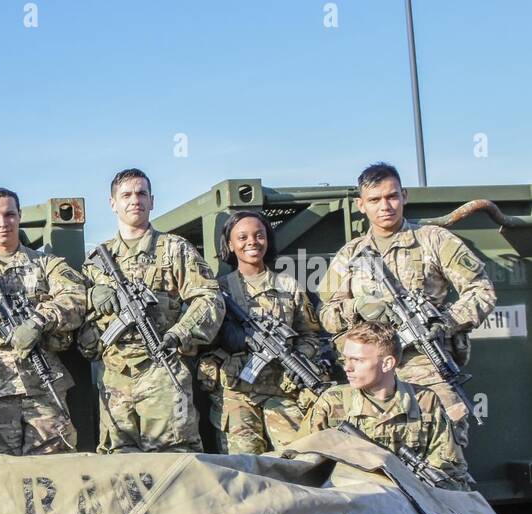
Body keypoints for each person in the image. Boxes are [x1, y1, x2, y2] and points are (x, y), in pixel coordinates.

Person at [318, 162, 495, 446]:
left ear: (405, 196)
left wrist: (443, 322)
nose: (385, 206)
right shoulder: (349, 255)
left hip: (428, 366)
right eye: (375, 200)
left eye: (392, 196)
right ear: (361, 205)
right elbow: (326, 314)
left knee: (446, 456)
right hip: (371, 376)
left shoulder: (434, 240)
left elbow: (481, 291)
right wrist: (357, 307)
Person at [79, 168, 224, 453]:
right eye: (127, 195)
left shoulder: (174, 249)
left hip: (163, 370)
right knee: (119, 465)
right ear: (113, 203)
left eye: (141, 193)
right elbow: (79, 315)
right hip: (115, 376)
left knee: (173, 460)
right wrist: (94, 296)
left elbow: (209, 298)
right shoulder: (96, 260)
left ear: (152, 200)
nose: (135, 200)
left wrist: (178, 334)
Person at [0, 187, 87, 454]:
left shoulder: (46, 264)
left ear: (19, 216)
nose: (3, 223)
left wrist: (38, 321)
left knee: (54, 471)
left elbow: (77, 298)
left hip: (45, 387)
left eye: (10, 214)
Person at [198, 210, 326, 454]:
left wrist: (300, 358)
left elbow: (310, 335)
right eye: (242, 237)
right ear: (230, 245)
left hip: (283, 390)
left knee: (298, 461)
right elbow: (202, 339)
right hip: (237, 393)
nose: (252, 242)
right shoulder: (218, 290)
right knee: (243, 467)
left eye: (259, 235)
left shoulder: (288, 286)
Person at [298, 321, 472, 489]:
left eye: (357, 360)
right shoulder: (332, 402)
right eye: (345, 360)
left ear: (388, 363)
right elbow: (301, 462)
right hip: (348, 501)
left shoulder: (424, 402)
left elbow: (448, 468)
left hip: (406, 502)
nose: (347, 368)